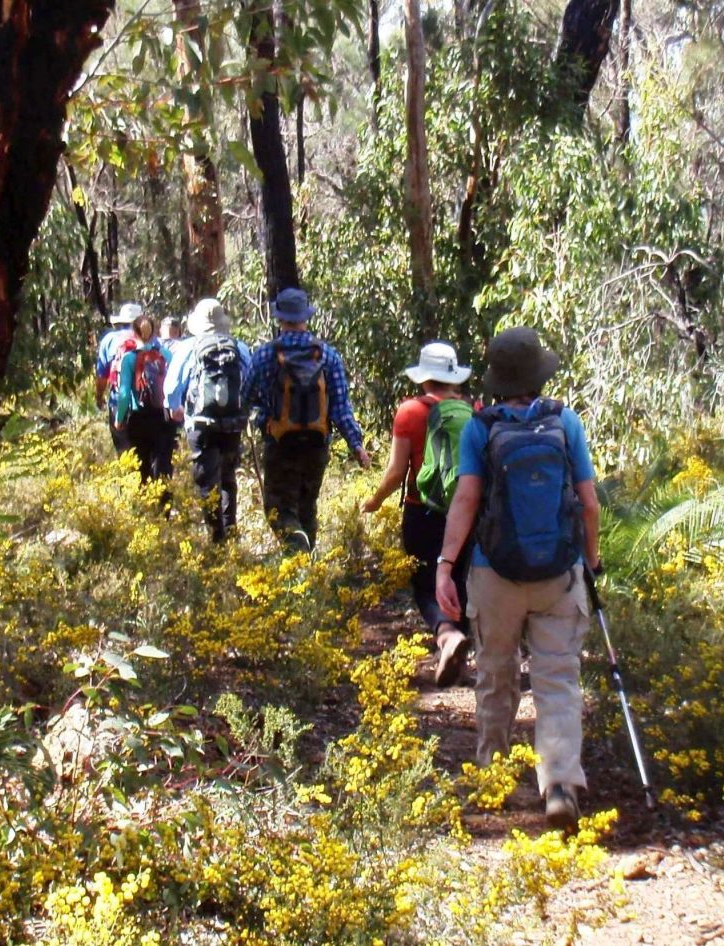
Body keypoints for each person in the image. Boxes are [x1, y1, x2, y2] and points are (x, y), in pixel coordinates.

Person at [435, 327, 601, 832]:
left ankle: (494, 778)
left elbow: (466, 499)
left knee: (496, 675)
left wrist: (445, 564)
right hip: (558, 571)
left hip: (494, 571)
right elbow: (589, 503)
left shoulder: (480, 429)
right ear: (538, 374)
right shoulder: (565, 422)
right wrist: (591, 565)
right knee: (556, 678)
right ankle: (559, 786)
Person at [361, 342, 473, 686]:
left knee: (425, 584)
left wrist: (375, 501)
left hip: (421, 510)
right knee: (459, 577)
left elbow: (397, 472)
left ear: (424, 378)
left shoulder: (410, 411)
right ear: (453, 377)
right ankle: (461, 654)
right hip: (466, 510)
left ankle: (446, 635)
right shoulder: (474, 410)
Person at [241, 287, 370, 552]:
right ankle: (308, 573)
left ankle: (296, 554)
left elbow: (245, 397)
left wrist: (258, 417)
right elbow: (341, 408)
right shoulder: (327, 356)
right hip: (316, 444)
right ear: (305, 317)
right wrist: (356, 445)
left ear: (280, 318)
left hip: (280, 444)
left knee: (278, 508)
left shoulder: (265, 355)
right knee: (307, 506)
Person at [164, 298, 252, 541]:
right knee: (227, 476)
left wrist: (174, 409)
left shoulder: (187, 347)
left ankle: (216, 538)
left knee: (206, 480)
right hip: (233, 423)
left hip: (200, 423)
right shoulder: (239, 347)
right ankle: (230, 530)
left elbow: (172, 386)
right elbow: (250, 379)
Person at [113, 313, 175, 483]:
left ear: (134, 333)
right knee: (162, 462)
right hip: (162, 416)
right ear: (154, 333)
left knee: (140, 463)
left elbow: (124, 392)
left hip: (138, 417)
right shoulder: (166, 355)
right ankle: (163, 503)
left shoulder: (129, 358)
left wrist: (119, 418)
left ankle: (143, 503)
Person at [96, 302, 142, 455]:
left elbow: (102, 376)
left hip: (119, 403)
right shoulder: (151, 340)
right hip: (149, 405)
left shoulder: (109, 340)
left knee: (125, 453)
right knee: (147, 455)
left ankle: (128, 476)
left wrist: (99, 397)